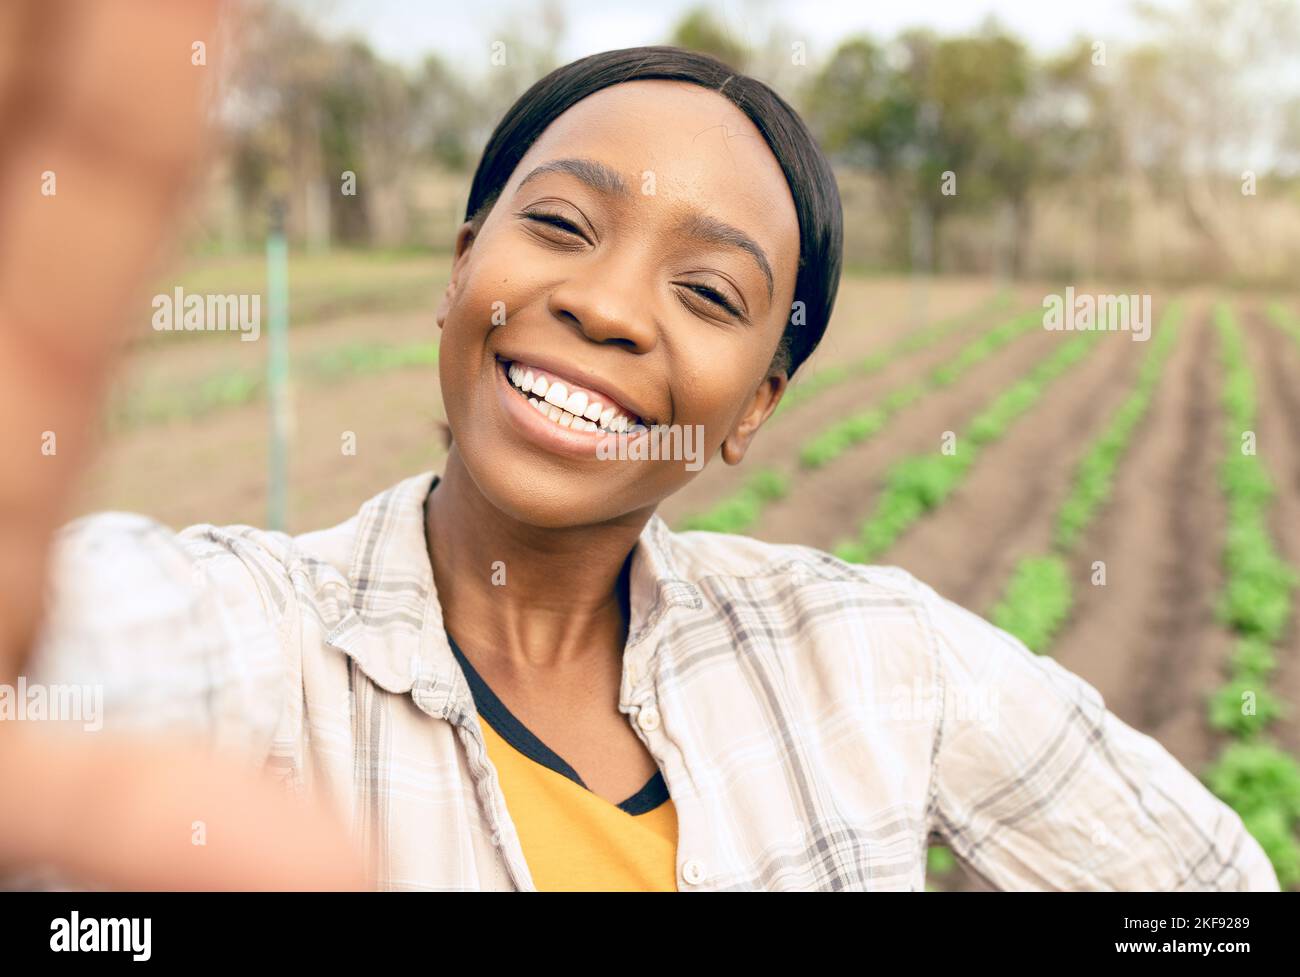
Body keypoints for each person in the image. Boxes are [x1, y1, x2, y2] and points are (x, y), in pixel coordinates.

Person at [1, 26, 1279, 890]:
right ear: (458, 272)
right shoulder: (248, 636)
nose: (608, 307)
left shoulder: (868, 655)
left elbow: (1206, 890)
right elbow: (76, 652)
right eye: (560, 222)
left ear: (753, 411)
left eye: (711, 294)